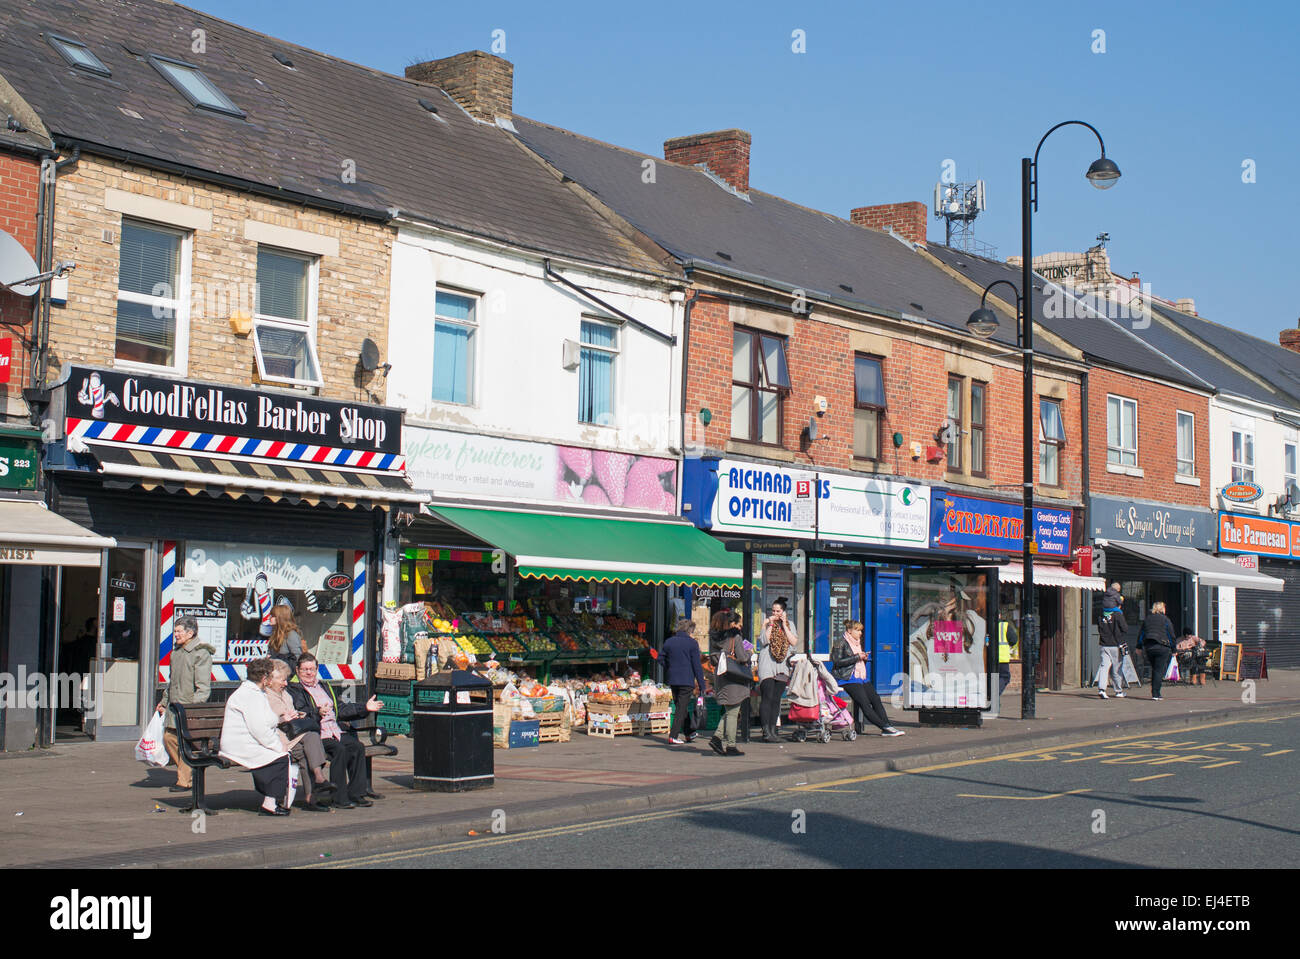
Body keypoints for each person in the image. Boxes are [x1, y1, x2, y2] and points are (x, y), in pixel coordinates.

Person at [289, 653, 383, 808]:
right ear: (298, 671)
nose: (308, 673)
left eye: (312, 669)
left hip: (334, 730)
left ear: (317, 669)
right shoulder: (296, 690)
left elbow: (340, 709)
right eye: (305, 669)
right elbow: (301, 713)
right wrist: (317, 713)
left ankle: (357, 793)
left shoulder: (324, 686)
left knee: (356, 747)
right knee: (339, 750)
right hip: (316, 733)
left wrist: (365, 707)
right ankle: (339, 798)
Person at [218, 658, 292, 816]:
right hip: (238, 744)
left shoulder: (257, 693)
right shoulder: (249, 695)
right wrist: (277, 745)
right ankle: (270, 804)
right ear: (265, 678)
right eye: (270, 677)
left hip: (249, 740)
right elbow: (258, 728)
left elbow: (265, 722)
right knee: (279, 756)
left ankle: (270, 801)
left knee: (279, 755)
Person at [265, 659, 335, 810]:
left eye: (285, 679)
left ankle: (312, 794)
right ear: (270, 680)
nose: (285, 684)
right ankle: (318, 780)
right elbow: (265, 721)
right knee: (311, 737)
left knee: (307, 751)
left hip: (291, 738)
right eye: (282, 680)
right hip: (276, 739)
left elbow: (290, 713)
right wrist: (283, 718)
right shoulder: (265, 696)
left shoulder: (285, 694)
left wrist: (297, 715)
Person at [157, 615, 215, 793]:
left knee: (184, 742)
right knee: (169, 738)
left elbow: (203, 687)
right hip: (175, 705)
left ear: (190, 632)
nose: (175, 635)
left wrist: (193, 708)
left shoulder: (200, 653)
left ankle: (184, 780)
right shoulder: (177, 652)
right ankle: (188, 768)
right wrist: (164, 702)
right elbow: (172, 681)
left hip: (188, 707)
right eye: (174, 631)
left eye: (178, 631)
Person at [831, 619, 904, 736]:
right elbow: (837, 661)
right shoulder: (840, 643)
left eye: (861, 631)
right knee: (864, 703)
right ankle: (884, 727)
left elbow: (855, 662)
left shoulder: (856, 643)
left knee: (875, 699)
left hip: (861, 677)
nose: (860, 633)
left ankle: (888, 725)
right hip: (847, 678)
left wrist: (862, 658)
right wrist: (857, 657)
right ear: (849, 631)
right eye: (858, 630)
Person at [757, 598, 797, 743]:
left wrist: (785, 625)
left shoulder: (790, 624)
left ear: (784, 612)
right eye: (773, 611)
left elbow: (793, 642)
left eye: (778, 611)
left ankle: (773, 729)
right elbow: (764, 640)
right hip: (767, 664)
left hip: (782, 665)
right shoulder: (768, 624)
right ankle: (765, 730)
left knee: (776, 699)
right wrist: (769, 624)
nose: (775, 613)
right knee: (767, 696)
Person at [662, 619, 707, 745]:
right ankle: (673, 736)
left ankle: (689, 733)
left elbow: (661, 658)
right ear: (689, 631)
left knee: (681, 706)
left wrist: (669, 667)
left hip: (673, 679)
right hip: (686, 680)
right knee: (681, 708)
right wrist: (702, 685)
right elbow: (696, 665)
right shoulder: (692, 643)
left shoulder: (669, 642)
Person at [708, 626, 751, 757]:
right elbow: (743, 658)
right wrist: (749, 652)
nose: (740, 626)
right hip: (734, 678)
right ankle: (731, 745)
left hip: (722, 677)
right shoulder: (735, 638)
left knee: (729, 711)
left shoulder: (715, 639)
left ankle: (717, 738)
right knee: (733, 713)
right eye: (738, 623)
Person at [1138, 601, 1177, 701]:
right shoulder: (1165, 620)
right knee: (1158, 670)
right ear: (1162, 608)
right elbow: (1171, 635)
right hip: (1162, 647)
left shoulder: (1147, 619)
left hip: (1149, 647)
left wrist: (1139, 647)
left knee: (1154, 669)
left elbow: (1141, 634)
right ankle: (1156, 693)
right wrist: (1173, 649)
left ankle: (1155, 693)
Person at [1095, 586, 1128, 699]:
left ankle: (1102, 689)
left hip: (1104, 644)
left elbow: (1099, 628)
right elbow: (1125, 628)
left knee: (1104, 666)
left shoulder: (1101, 614)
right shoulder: (1118, 614)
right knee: (1116, 667)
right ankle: (1118, 691)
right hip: (1116, 644)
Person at [267, 600, 305, 672]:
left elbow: (297, 658)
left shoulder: (291, 635)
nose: (269, 618)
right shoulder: (275, 634)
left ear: (280, 618)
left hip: (286, 675)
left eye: (272, 616)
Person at [997, 607, 1020, 696]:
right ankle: (995, 694)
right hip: (1002, 658)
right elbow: (1014, 639)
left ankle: (992, 695)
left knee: (991, 677)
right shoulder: (1004, 626)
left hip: (988, 658)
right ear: (999, 615)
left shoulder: (986, 625)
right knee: (1005, 677)